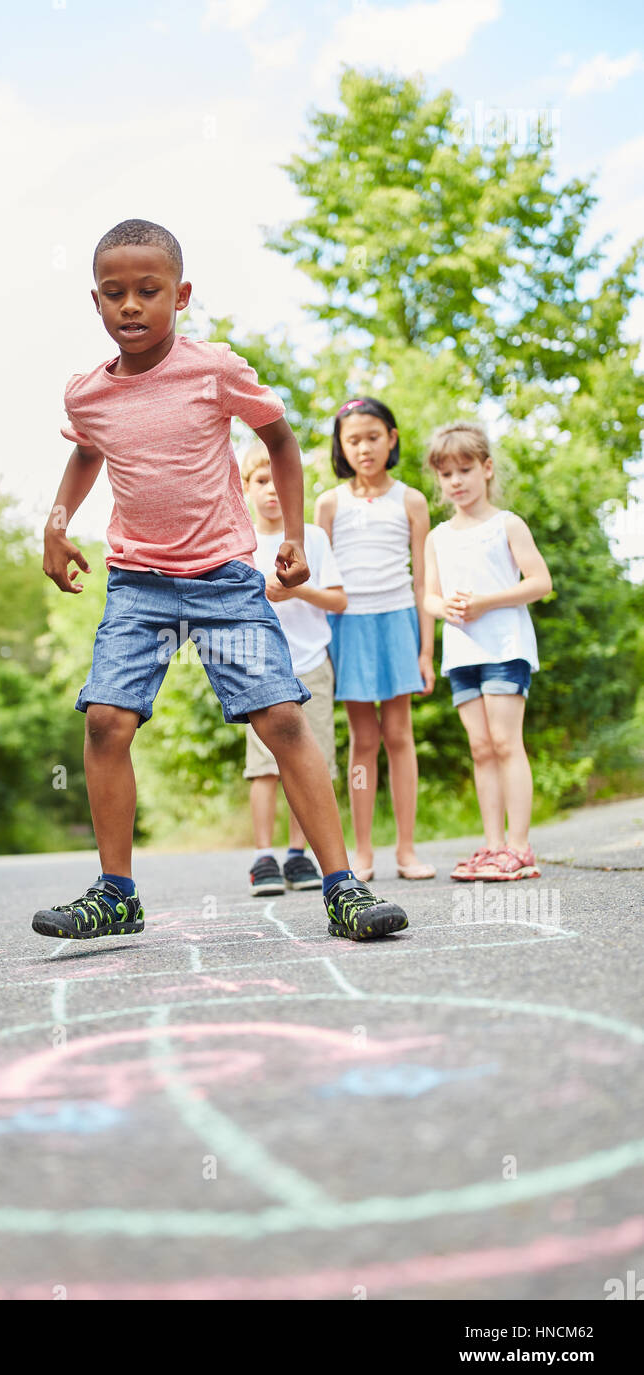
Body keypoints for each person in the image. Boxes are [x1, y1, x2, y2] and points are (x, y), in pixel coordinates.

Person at [33, 218, 409, 942]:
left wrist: (294, 538)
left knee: (281, 716)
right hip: (139, 580)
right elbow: (86, 454)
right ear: (97, 302)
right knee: (107, 720)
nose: (132, 306)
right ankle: (116, 893)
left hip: (223, 578)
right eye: (116, 294)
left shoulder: (214, 369)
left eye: (150, 291)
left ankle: (342, 887)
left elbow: (280, 439)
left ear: (182, 296)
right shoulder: (89, 395)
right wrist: (56, 521)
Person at [422, 422, 552, 881]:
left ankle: (519, 848)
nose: (455, 480)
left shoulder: (507, 524)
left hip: (506, 646)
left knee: (504, 742)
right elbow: (429, 597)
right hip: (461, 654)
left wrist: (485, 601)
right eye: (446, 473)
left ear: (486, 468)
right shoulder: (437, 536)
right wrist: (448, 609)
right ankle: (493, 845)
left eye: (465, 469)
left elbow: (540, 583)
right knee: (480, 748)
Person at [314, 397, 436, 882]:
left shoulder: (411, 500)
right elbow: (320, 579)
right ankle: (361, 852)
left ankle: (407, 850)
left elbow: (425, 582)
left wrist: (427, 650)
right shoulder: (328, 503)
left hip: (399, 621)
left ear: (392, 437)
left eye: (373, 437)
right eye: (353, 440)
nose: (364, 448)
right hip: (349, 628)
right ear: (341, 447)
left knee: (400, 736)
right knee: (363, 740)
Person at [240, 440, 346, 896]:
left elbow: (339, 600)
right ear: (244, 488)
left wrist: (299, 590)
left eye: (277, 482)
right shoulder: (237, 539)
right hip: (257, 663)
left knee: (311, 760)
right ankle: (263, 856)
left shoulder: (312, 538)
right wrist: (262, 589)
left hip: (311, 663)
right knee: (264, 765)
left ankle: (299, 855)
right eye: (260, 482)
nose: (270, 491)